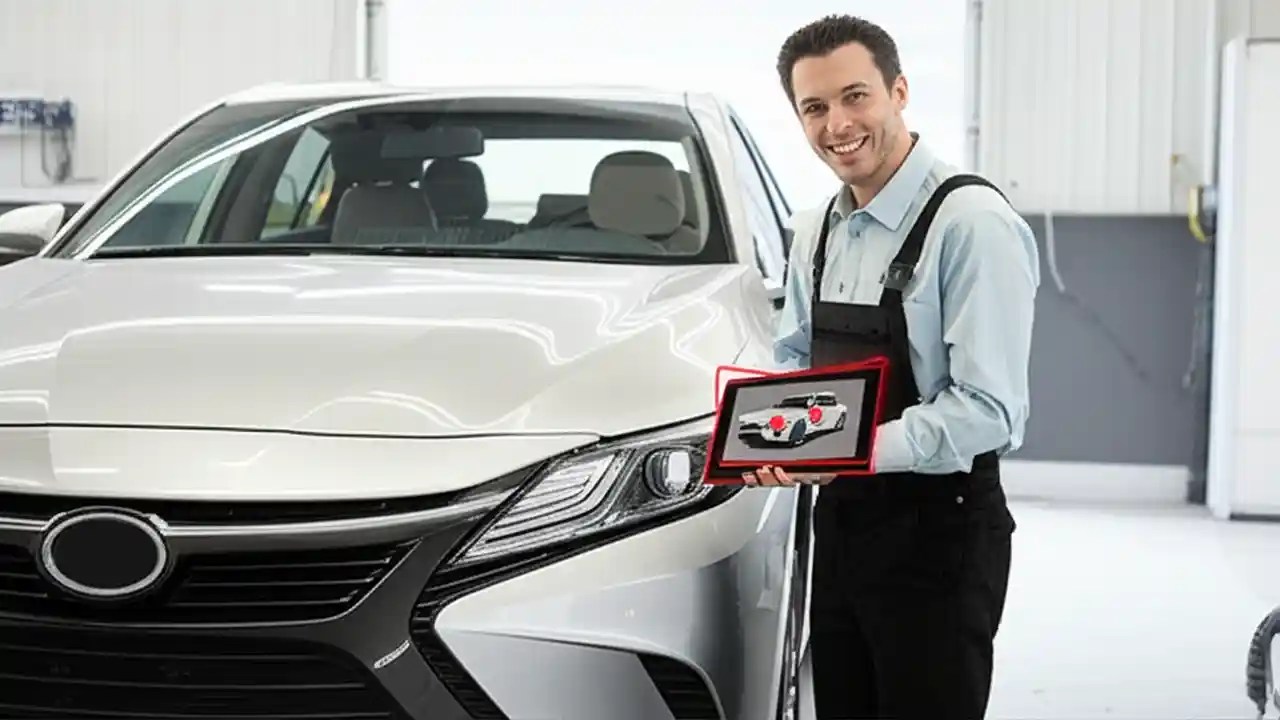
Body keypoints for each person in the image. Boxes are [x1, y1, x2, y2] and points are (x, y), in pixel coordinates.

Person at [744, 14, 1041, 720]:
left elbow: (990, 412)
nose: (837, 125)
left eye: (855, 96)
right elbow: (796, 357)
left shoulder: (970, 224)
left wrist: (844, 451)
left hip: (940, 532)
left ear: (898, 91)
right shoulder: (816, 229)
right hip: (841, 523)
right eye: (814, 107)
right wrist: (765, 435)